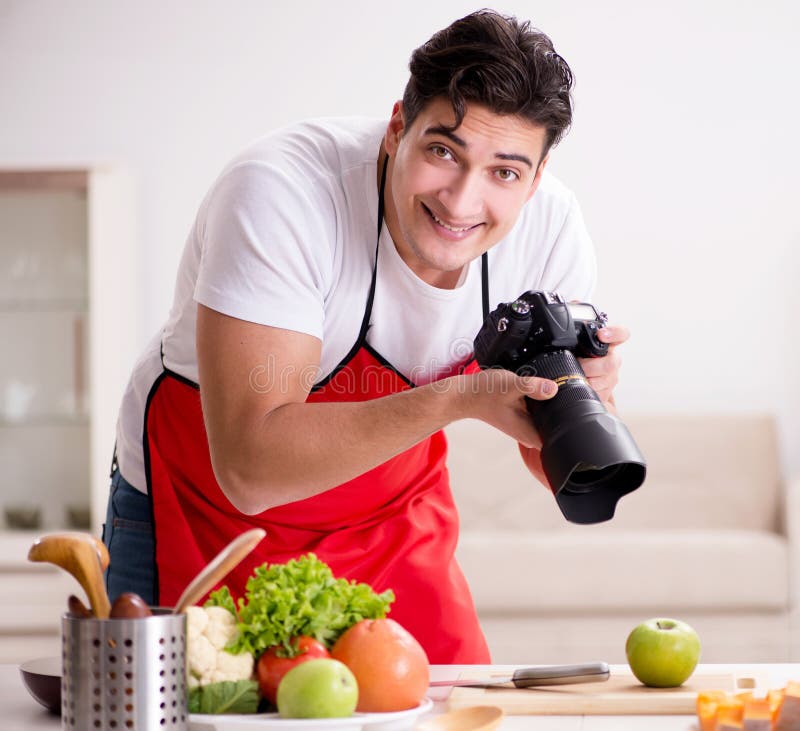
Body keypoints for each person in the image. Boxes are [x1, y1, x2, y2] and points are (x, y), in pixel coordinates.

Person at [102, 9, 628, 663]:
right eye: (443, 151)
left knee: (457, 709)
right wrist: (459, 400)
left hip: (392, 510)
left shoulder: (550, 230)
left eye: (505, 172)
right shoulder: (283, 196)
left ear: (538, 177)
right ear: (397, 128)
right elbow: (248, 468)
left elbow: (552, 470)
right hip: (208, 505)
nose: (462, 202)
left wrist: (580, 402)